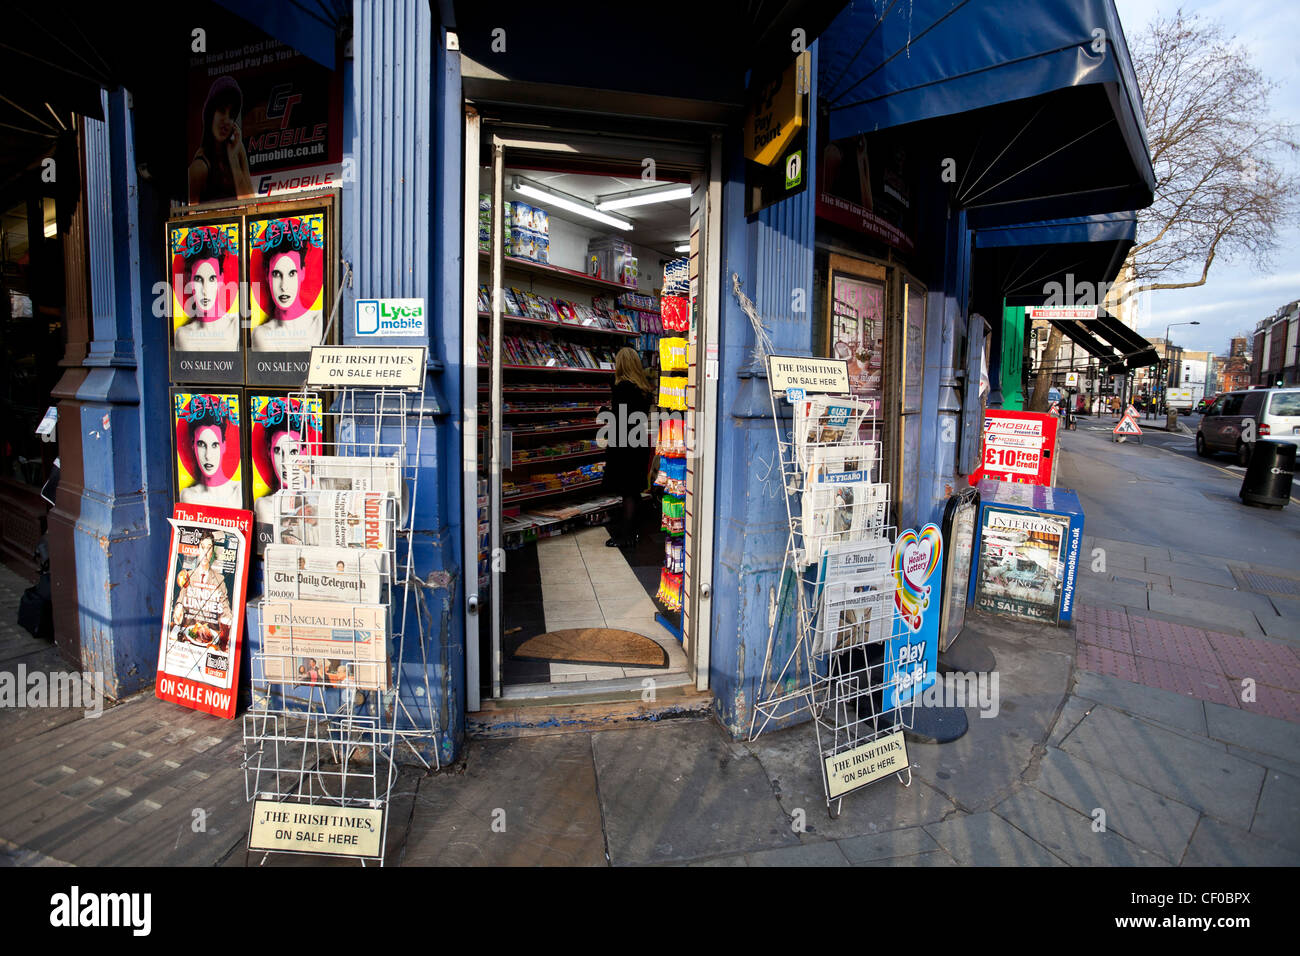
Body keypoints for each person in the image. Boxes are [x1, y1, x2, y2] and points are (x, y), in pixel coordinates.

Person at [601, 347, 653, 548]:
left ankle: (625, 537)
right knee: (634, 490)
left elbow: (619, 419)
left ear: (621, 364)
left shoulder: (623, 388)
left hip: (624, 446)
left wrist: (603, 410)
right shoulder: (644, 389)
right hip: (639, 443)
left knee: (627, 492)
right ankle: (633, 532)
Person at [251, 223, 323, 351]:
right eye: (277, 274)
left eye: (291, 273)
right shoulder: (261, 335)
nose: (284, 286)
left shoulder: (319, 322)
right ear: (267, 276)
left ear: (302, 273)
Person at [188, 76, 254, 204]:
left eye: (231, 115)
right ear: (210, 114)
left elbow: (251, 204)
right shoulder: (199, 166)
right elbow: (192, 218)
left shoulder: (237, 149)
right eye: (221, 111)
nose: (226, 121)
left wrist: (233, 159)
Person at [174, 228, 238, 351]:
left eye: (212, 279)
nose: (205, 289)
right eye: (198, 279)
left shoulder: (235, 325)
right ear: (189, 280)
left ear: (221, 279)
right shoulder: (182, 335)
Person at [179, 401, 241, 508]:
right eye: (202, 444)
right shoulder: (188, 496)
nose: (208, 456)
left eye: (214, 445)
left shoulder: (239, 492)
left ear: (223, 446)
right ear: (193, 445)